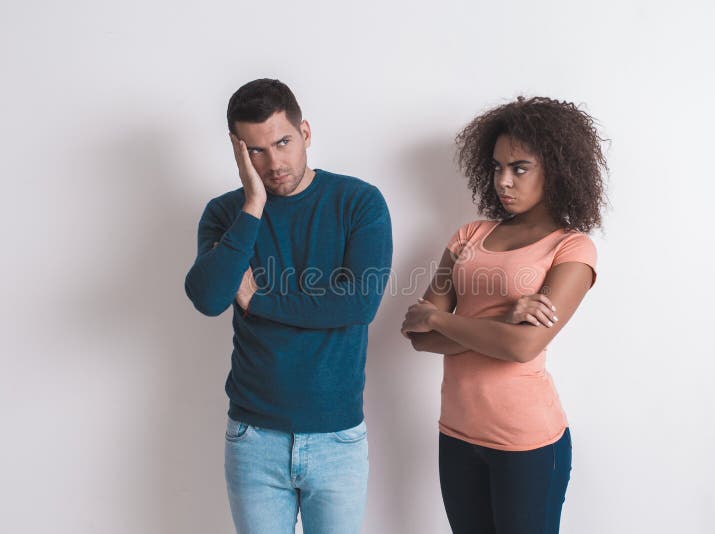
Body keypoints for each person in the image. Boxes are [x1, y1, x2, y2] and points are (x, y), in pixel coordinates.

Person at [184, 78, 393, 534]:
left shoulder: (358, 203)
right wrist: (253, 205)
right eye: (258, 151)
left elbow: (358, 304)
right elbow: (207, 297)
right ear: (239, 153)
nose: (275, 162)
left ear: (306, 133)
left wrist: (259, 299)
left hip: (337, 436)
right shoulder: (226, 214)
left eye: (284, 142)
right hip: (254, 438)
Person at [401, 96, 607, 534]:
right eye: (496, 167)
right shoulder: (470, 235)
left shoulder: (571, 249)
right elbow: (416, 332)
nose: (503, 181)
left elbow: (523, 345)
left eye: (519, 168)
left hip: (526, 441)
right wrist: (504, 320)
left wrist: (441, 320)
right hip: (456, 433)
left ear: (555, 167)